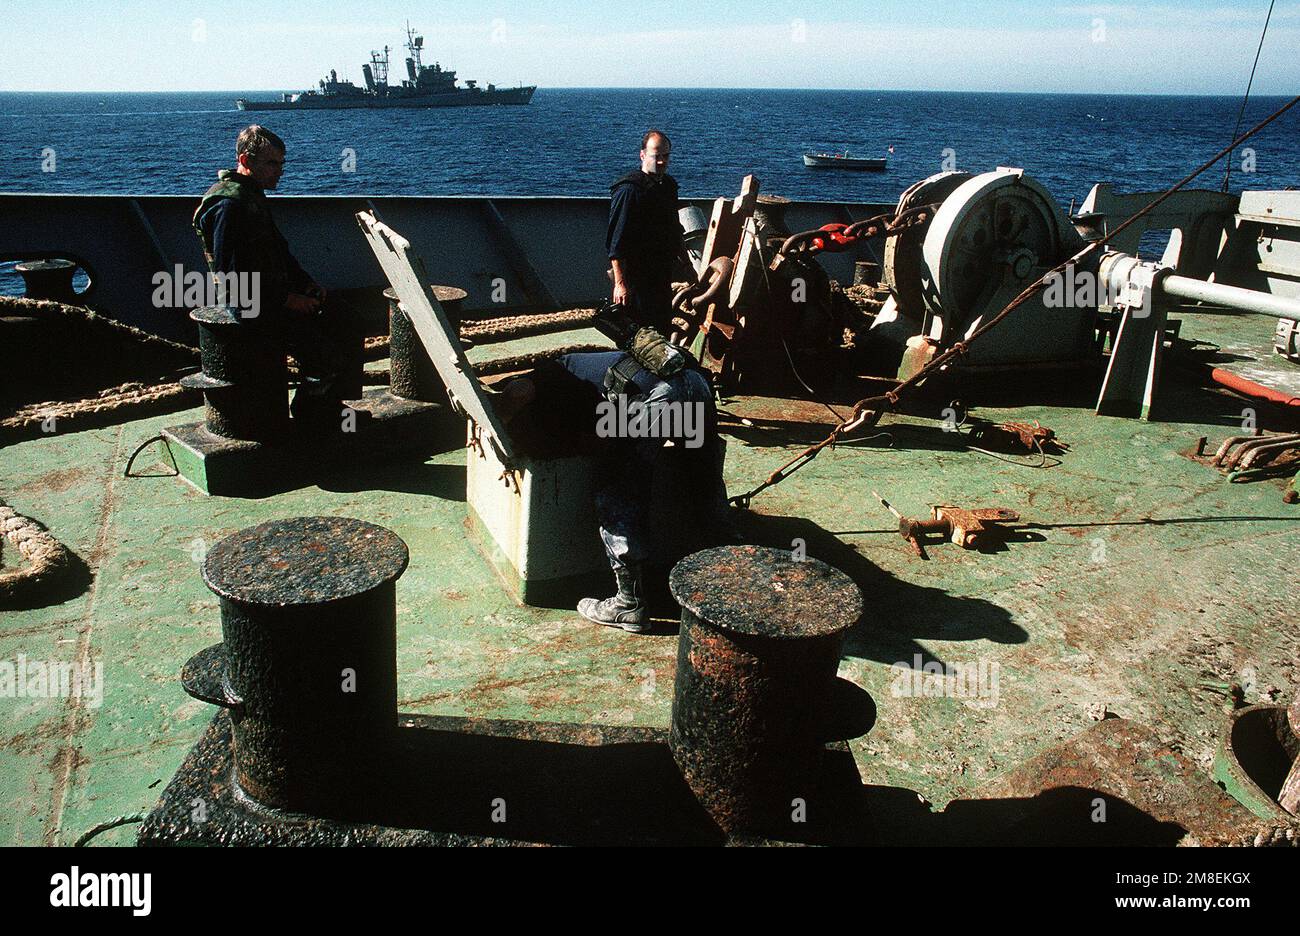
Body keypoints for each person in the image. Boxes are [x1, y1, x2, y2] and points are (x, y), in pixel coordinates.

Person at [493, 314, 728, 634]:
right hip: (694, 385)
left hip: (656, 401)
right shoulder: (578, 369)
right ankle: (724, 577)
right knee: (702, 479)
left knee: (617, 488)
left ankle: (628, 604)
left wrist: (502, 429)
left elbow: (519, 392)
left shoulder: (545, 376)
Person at [193, 125, 363, 427]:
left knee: (346, 317)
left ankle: (330, 404)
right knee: (323, 351)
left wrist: (306, 286)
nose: (279, 171)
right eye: (271, 163)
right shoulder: (229, 206)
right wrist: (287, 301)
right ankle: (314, 412)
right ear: (245, 161)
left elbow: (279, 253)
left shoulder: (250, 196)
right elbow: (233, 281)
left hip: (270, 294)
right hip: (251, 305)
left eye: (281, 164)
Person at [606, 130, 696, 335]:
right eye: (657, 156)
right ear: (642, 155)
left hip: (661, 276)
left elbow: (675, 231)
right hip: (637, 280)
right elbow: (616, 243)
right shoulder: (629, 191)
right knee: (639, 335)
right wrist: (620, 285)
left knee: (661, 329)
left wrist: (688, 267)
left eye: (666, 156)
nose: (662, 162)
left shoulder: (668, 187)